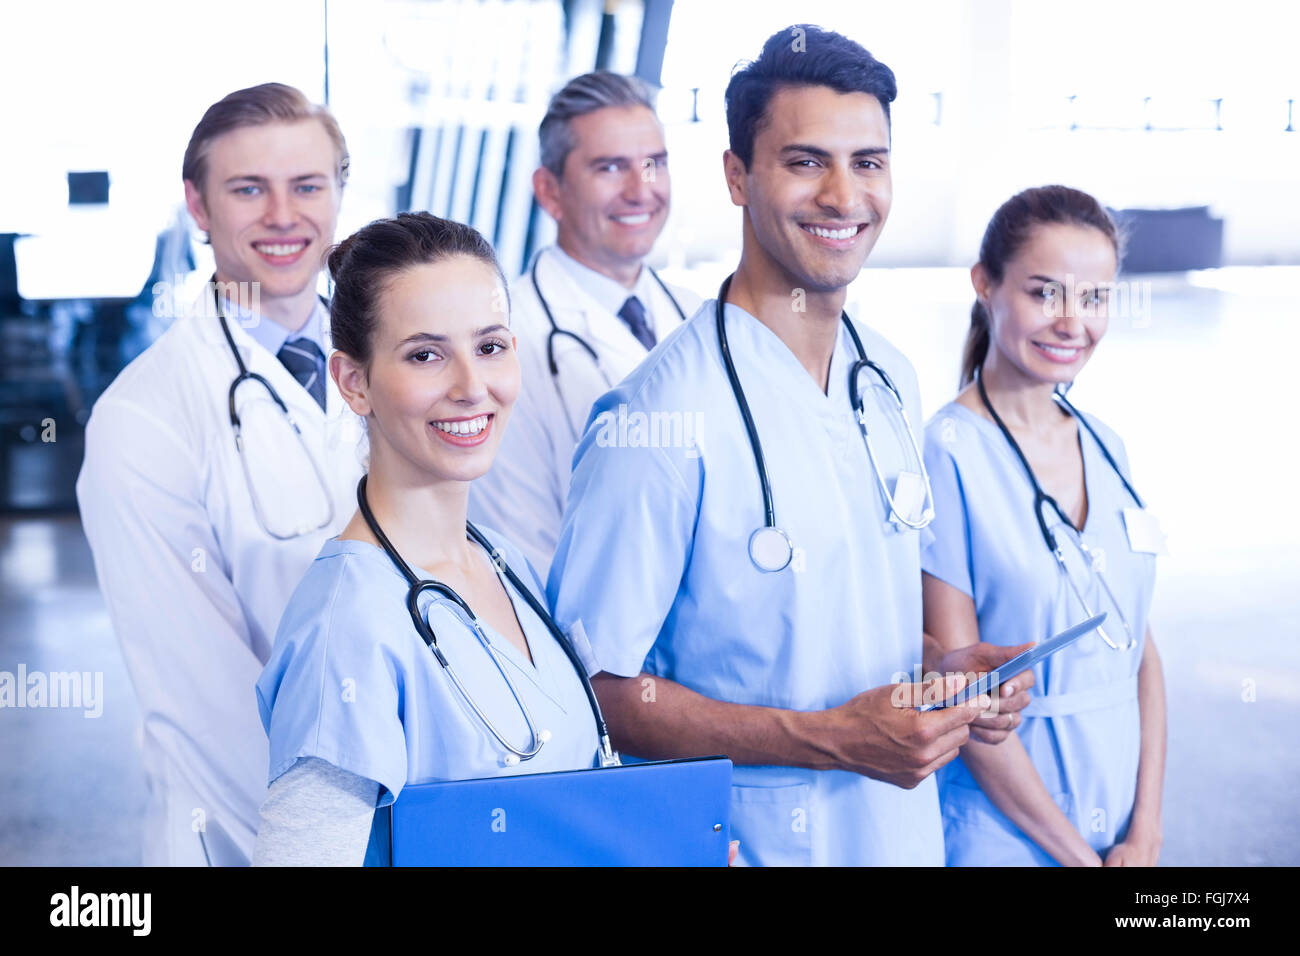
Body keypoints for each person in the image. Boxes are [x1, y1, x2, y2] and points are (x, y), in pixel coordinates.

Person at [545, 25, 1033, 866]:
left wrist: (943, 671)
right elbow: (593, 691)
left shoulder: (888, 376)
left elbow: (849, 618)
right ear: (738, 176)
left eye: (869, 162)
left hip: (902, 841)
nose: (844, 196)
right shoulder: (657, 421)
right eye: (806, 161)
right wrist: (827, 738)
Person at [253, 213, 605, 866]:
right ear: (353, 382)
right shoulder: (349, 628)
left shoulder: (506, 563)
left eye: (491, 347)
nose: (472, 387)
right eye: (425, 355)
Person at [76, 83, 362, 866]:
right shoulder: (146, 417)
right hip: (260, 838)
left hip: (419, 807)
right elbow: (208, 705)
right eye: (248, 189)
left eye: (307, 185)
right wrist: (343, 848)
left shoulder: (406, 363)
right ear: (197, 207)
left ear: (339, 195)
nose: (283, 215)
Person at [921, 185, 1167, 866]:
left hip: (1118, 828)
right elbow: (963, 698)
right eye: (1044, 292)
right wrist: (1078, 858)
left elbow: (1139, 654)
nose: (1072, 322)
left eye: (1094, 299)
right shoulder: (947, 454)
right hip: (1003, 833)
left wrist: (1144, 833)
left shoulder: (1106, 446)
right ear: (985, 284)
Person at [468, 70, 701, 576]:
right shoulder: (504, 341)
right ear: (550, 192)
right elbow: (521, 553)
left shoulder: (701, 318)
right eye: (610, 168)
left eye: (653, 164)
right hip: (597, 649)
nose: (642, 190)